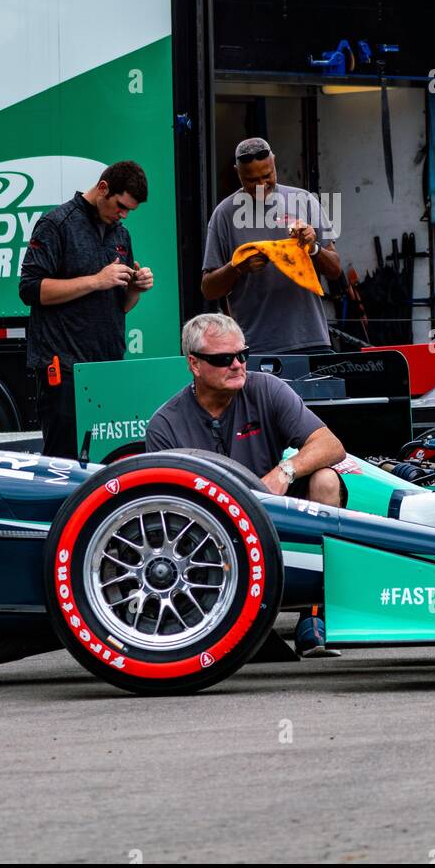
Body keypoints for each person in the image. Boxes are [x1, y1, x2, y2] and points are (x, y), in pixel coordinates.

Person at [145, 312, 346, 655]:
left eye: (242, 355)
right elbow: (164, 515)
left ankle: (315, 614)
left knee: (326, 480)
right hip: (212, 530)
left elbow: (331, 445)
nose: (237, 365)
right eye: (223, 359)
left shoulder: (266, 387)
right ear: (193, 364)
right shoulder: (164, 426)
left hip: (273, 511)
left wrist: (286, 471)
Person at [19, 161, 154, 460]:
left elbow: (121, 307)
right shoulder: (56, 224)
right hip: (65, 369)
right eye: (121, 206)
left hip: (107, 368)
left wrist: (135, 288)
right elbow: (30, 290)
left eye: (129, 210)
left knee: (108, 462)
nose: (123, 214)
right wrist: (96, 281)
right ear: (103, 188)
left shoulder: (121, 235)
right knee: (64, 465)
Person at [201, 137, 342, 353]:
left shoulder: (304, 201)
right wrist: (237, 267)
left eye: (267, 176)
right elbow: (208, 289)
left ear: (274, 162)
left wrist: (313, 248)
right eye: (251, 180)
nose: (260, 185)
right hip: (256, 346)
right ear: (237, 172)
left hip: (310, 339)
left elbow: (335, 271)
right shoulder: (224, 215)